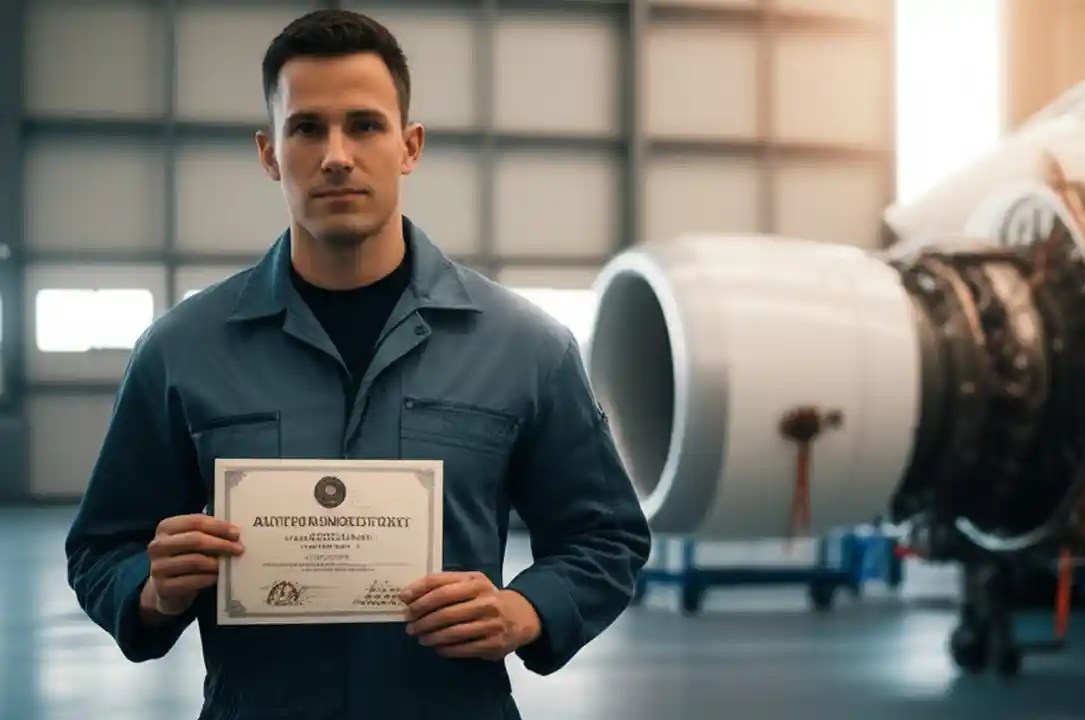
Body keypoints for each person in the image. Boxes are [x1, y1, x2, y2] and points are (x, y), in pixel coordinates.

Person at [63, 9, 651, 719]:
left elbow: (606, 536)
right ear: (268, 153)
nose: (336, 154)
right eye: (306, 128)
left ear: (409, 145)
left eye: (365, 125)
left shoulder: (526, 347)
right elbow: (101, 549)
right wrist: (151, 592)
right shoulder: (180, 351)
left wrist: (526, 610)